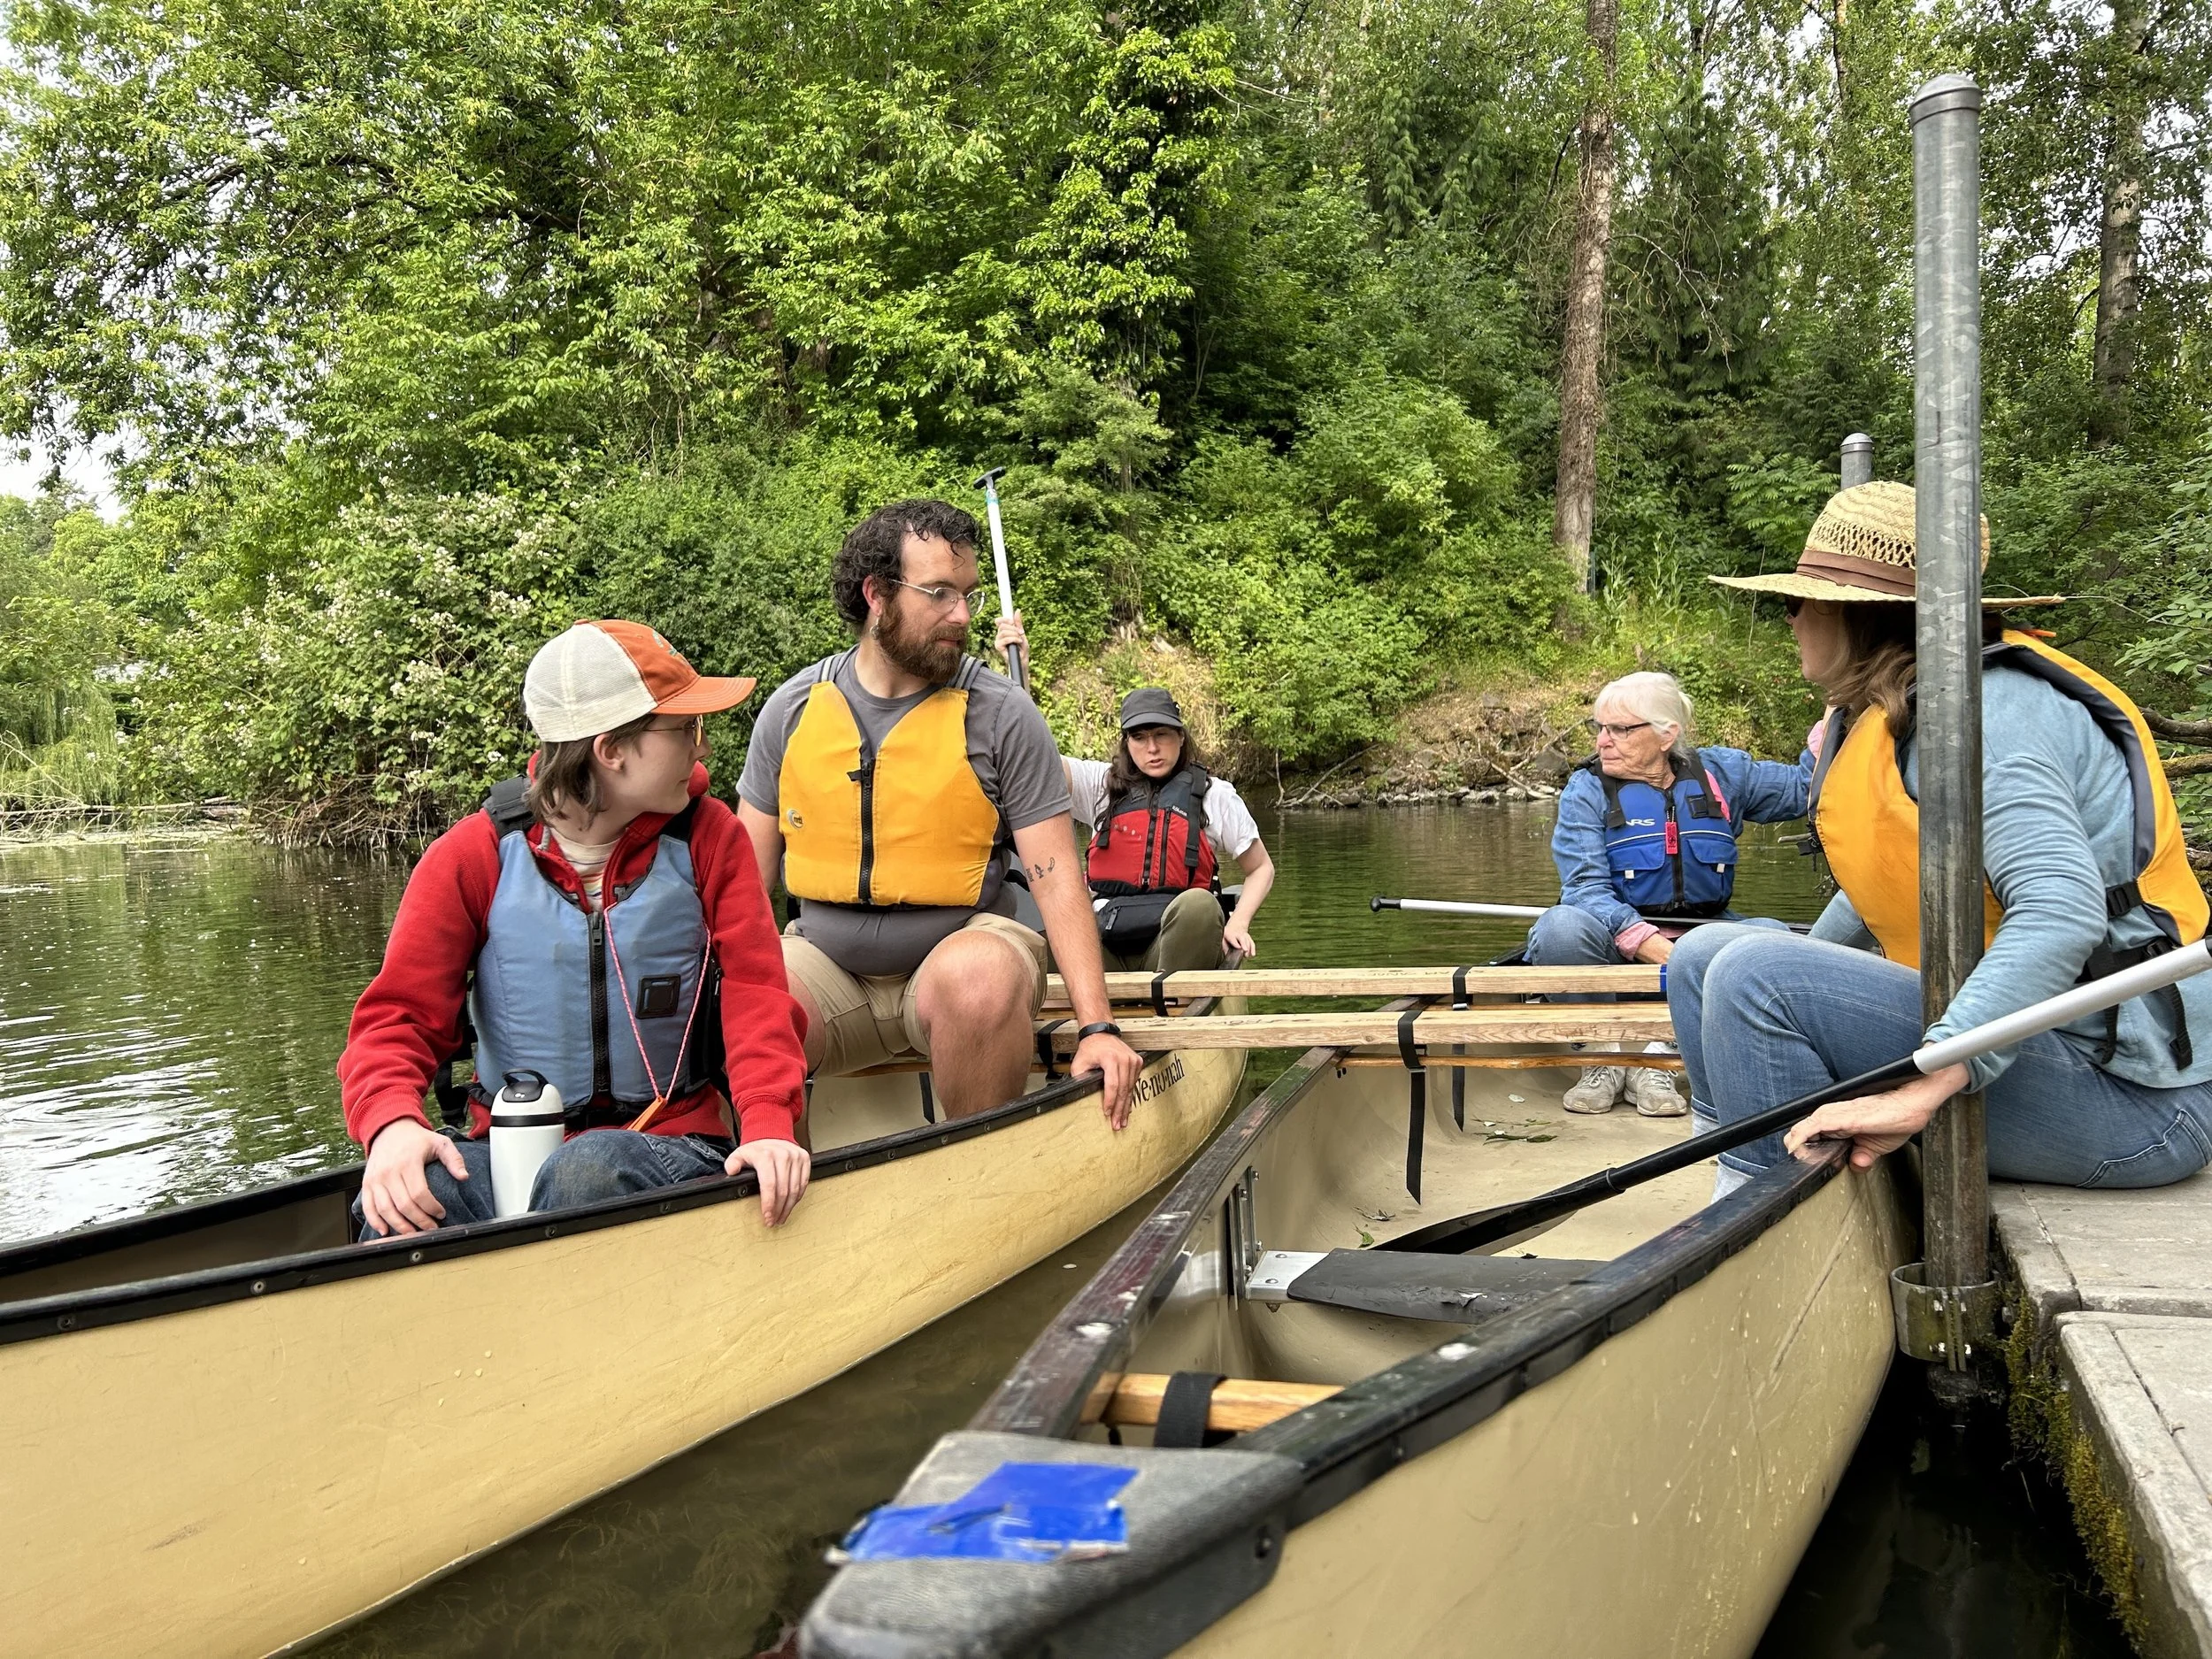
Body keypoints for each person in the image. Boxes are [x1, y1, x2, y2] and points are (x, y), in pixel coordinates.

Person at [1674, 480, 2211, 1195]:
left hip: (2139, 1103)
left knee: (1754, 976)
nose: (1791, 617)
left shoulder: (1988, 720)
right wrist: (1780, 975)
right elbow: (1879, 896)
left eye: (1799, 600)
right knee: (1705, 957)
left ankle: (1759, 1227)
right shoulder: (1893, 711)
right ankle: (1736, 1178)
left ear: (1865, 617)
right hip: (2041, 1053)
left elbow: (2063, 911)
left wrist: (1929, 1082)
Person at [339, 620, 813, 1239]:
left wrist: (769, 1123)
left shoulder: (711, 838)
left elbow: (758, 996)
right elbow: (395, 1018)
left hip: (671, 1152)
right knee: (402, 1197)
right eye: (686, 729)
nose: (703, 750)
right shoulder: (473, 855)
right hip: (506, 1154)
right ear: (611, 749)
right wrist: (392, 1125)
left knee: (586, 1171)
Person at [736, 500, 1144, 1125]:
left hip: (962, 947)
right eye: (939, 593)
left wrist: (1097, 1025)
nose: (962, 615)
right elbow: (738, 898)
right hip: (827, 969)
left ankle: (974, 1175)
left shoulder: (1003, 714)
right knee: (735, 999)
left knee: (977, 976)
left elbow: (1057, 876)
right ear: (876, 594)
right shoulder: (791, 712)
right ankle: (757, 1175)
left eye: (968, 595)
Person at [1527, 671, 1813, 1118]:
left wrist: (1833, 727)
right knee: (1558, 928)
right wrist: (1642, 939)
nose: (1603, 741)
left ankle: (1660, 1058)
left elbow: (1805, 790)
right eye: (1599, 727)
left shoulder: (1722, 774)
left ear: (1666, 735)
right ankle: (1603, 1056)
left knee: (1771, 938)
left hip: (1704, 933)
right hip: (1616, 942)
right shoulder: (1586, 789)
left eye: (1619, 729)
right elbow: (1584, 888)